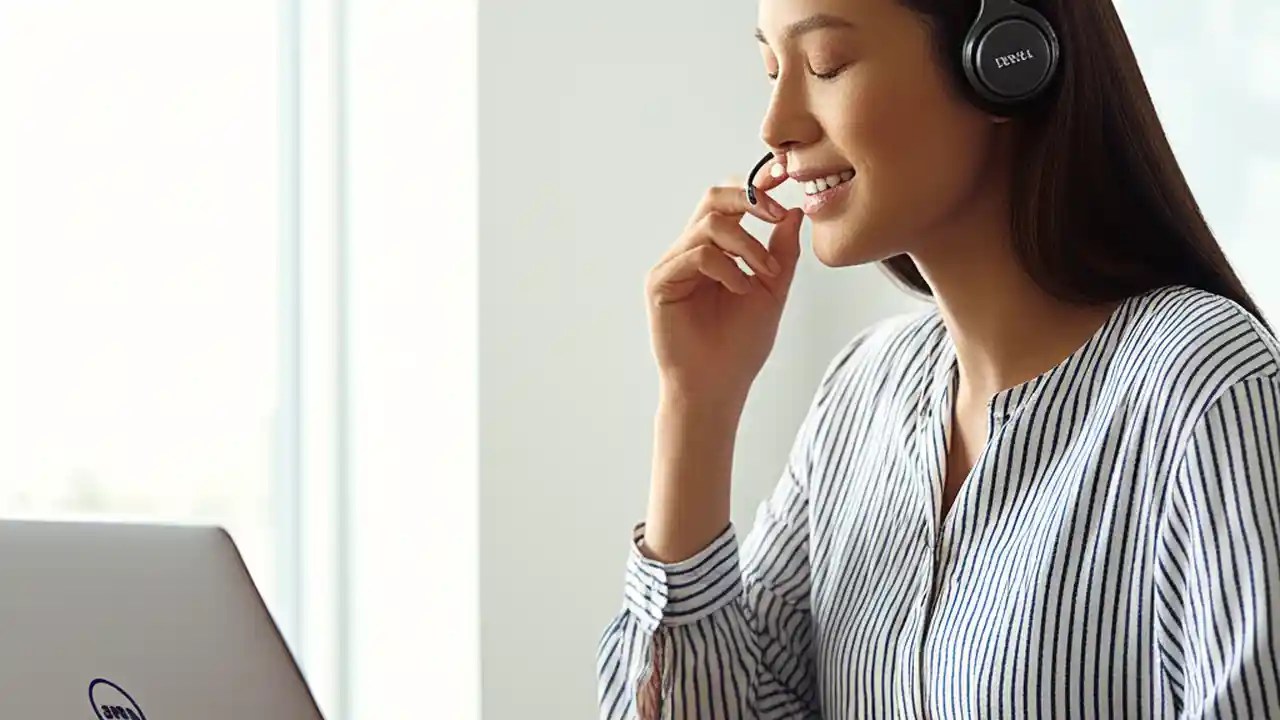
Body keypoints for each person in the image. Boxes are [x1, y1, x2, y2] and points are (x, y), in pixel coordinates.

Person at [594, 0, 1280, 717]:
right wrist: (696, 407)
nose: (776, 128)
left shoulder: (1203, 384)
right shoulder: (862, 394)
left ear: (1006, 61)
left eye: (826, 64)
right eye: (772, 69)